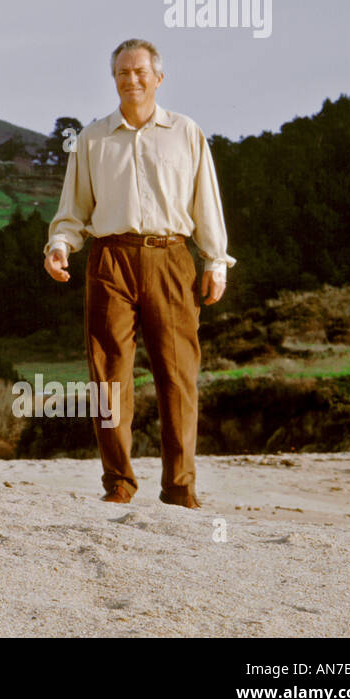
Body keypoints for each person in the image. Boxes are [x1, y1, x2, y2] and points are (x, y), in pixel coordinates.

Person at [43, 39, 234, 507]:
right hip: (110, 261)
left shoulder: (186, 132)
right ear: (114, 79)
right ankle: (119, 485)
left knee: (178, 375)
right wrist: (59, 246)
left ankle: (180, 488)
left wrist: (215, 260)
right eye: (123, 72)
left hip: (172, 259)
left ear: (158, 77)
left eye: (140, 71)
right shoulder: (92, 139)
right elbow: (74, 210)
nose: (132, 79)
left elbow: (205, 202)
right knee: (109, 378)